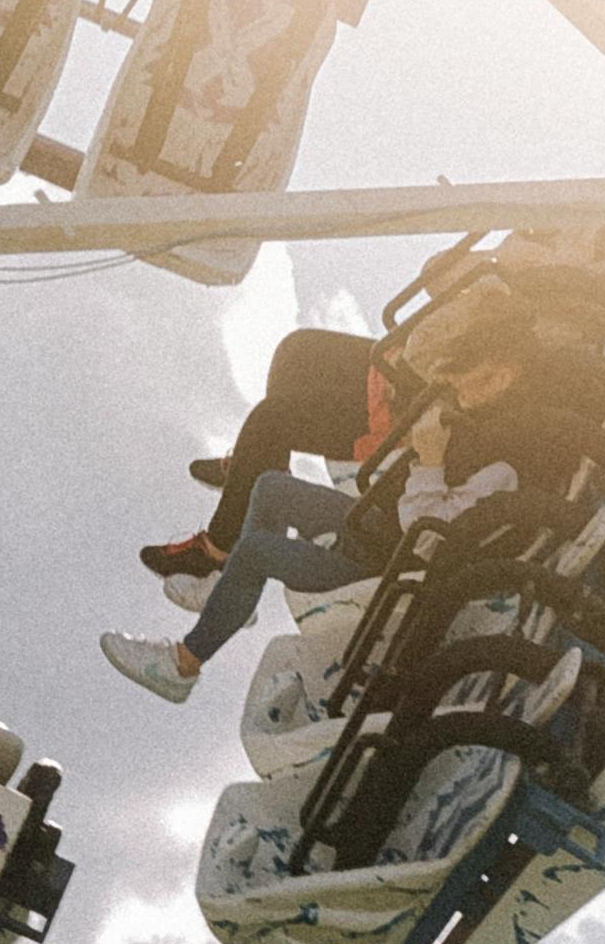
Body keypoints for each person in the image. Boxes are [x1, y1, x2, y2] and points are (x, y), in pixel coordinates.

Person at [99, 265, 536, 703]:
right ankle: (229, 585)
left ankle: (182, 665)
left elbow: (425, 537)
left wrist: (430, 461)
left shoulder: (499, 466)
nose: (450, 387)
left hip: (380, 560)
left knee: (254, 552)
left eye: (461, 377)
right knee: (268, 485)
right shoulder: (472, 417)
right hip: (371, 521)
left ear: (501, 376)